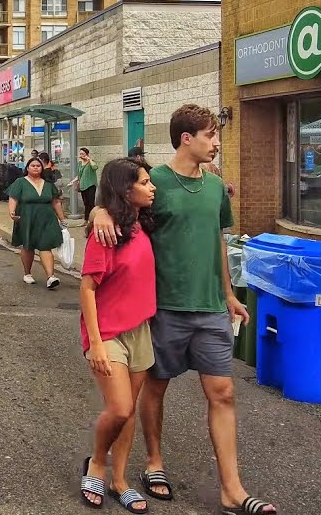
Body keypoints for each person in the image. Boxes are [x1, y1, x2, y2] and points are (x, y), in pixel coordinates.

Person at [92, 104, 275, 515]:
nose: (216, 142)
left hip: (210, 306)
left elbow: (217, 241)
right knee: (156, 388)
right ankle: (154, 463)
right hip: (162, 308)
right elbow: (115, 201)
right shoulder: (153, 181)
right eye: (210, 135)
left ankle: (232, 490)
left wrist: (228, 293)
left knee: (223, 392)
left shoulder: (214, 186)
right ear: (186, 138)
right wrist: (99, 210)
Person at [78, 157, 157, 512]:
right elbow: (87, 289)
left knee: (128, 413)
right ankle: (97, 462)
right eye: (144, 182)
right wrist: (94, 341)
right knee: (120, 407)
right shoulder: (106, 233)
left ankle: (121, 479)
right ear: (126, 190)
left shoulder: (143, 225)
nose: (152, 187)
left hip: (139, 328)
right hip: (107, 332)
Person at [7, 156, 66, 289]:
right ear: (27, 168)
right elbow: (13, 198)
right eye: (32, 165)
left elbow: (55, 202)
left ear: (42, 168)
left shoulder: (48, 184)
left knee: (46, 246)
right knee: (28, 245)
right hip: (27, 217)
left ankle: (51, 277)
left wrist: (62, 219)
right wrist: (12, 212)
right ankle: (27, 273)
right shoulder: (20, 182)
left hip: (47, 218)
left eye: (38, 166)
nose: (35, 167)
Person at [68, 147, 101, 216]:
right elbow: (79, 176)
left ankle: (92, 220)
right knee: (86, 203)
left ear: (87, 154)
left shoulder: (91, 162)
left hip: (91, 185)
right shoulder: (79, 164)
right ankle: (86, 219)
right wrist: (72, 182)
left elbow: (95, 167)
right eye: (80, 154)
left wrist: (89, 159)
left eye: (83, 154)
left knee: (91, 203)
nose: (81, 155)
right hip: (83, 186)